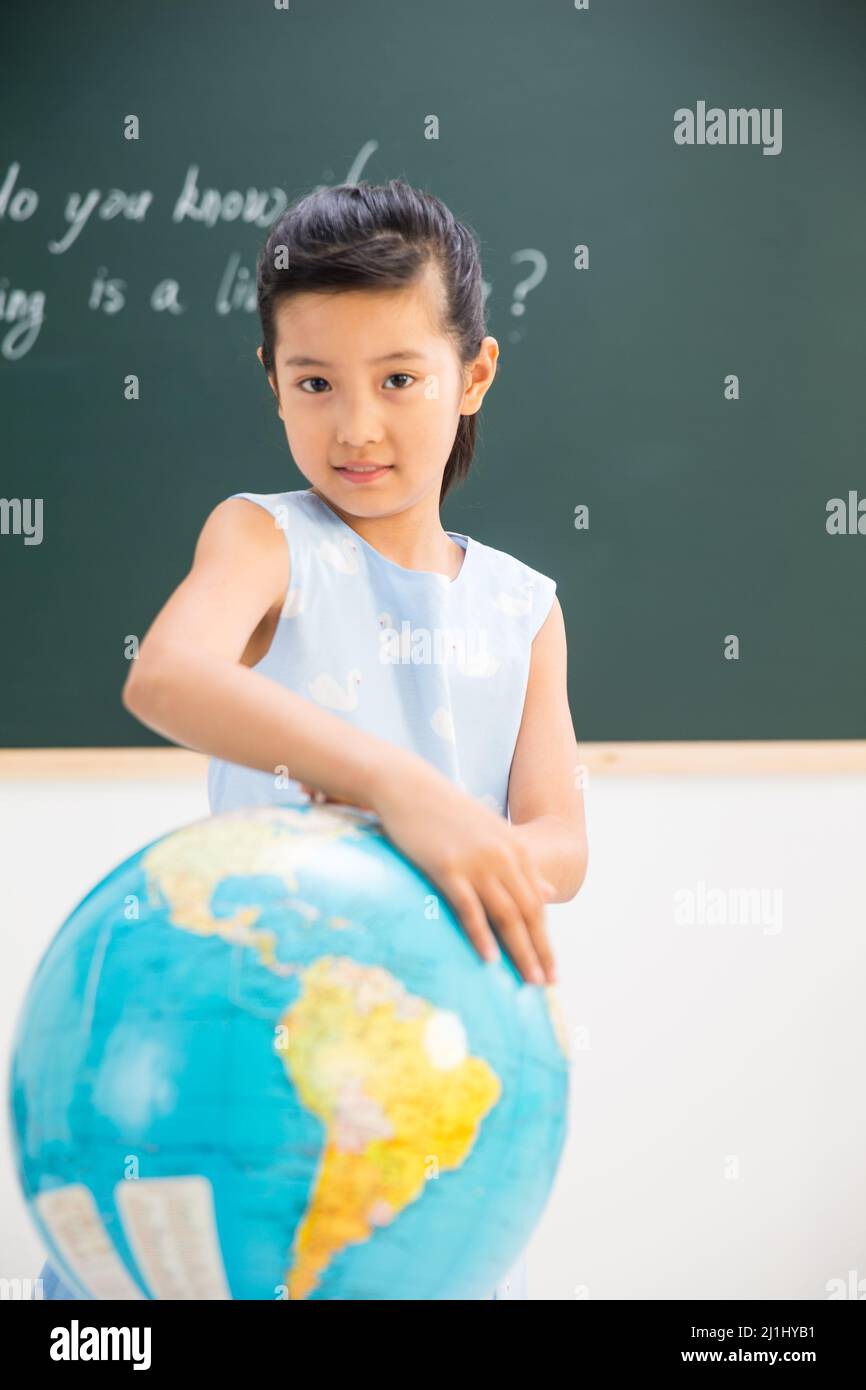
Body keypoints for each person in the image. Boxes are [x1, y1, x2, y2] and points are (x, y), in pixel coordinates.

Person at [38, 179, 588, 1302]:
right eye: (313, 384)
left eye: (398, 379)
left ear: (472, 374)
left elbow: (559, 842)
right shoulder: (261, 539)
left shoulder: (523, 606)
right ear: (270, 385)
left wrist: (466, 862)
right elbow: (168, 675)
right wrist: (404, 796)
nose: (356, 425)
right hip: (247, 1060)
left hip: (426, 1081)